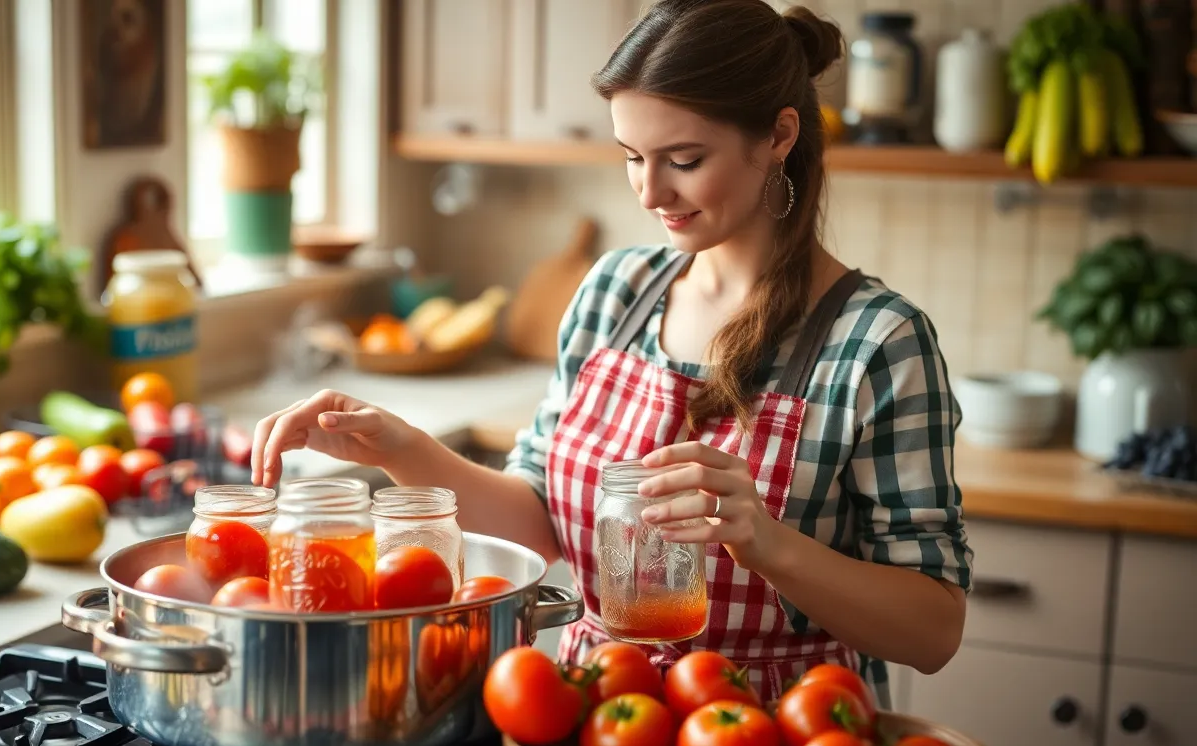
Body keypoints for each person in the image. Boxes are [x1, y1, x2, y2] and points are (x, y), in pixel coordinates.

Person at [250, 0, 972, 710]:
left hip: (778, 730)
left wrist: (768, 544)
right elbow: (539, 522)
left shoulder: (879, 343)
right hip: (594, 712)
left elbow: (934, 631)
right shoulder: (614, 292)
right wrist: (396, 445)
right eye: (632, 156)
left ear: (780, 135)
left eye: (684, 160)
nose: (651, 191)